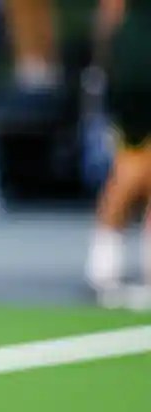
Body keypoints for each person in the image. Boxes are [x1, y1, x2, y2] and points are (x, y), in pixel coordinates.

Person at [87, 0, 151, 293]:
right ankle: (104, 263)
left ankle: (108, 263)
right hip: (138, 69)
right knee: (132, 165)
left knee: (136, 165)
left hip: (133, 66)